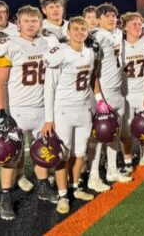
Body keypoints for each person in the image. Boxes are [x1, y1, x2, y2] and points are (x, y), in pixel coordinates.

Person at [0, 5, 65, 220]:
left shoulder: (48, 43)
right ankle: (5, 195)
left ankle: (42, 186)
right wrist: (0, 112)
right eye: (26, 21)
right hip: (18, 109)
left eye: (34, 21)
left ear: (40, 23)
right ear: (18, 23)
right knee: (11, 155)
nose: (31, 25)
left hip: (42, 107)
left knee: (44, 149)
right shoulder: (8, 45)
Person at [42, 16, 101, 214]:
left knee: (80, 152)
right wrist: (49, 118)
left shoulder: (90, 53)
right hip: (64, 109)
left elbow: (91, 81)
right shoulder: (60, 52)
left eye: (83, 29)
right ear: (68, 32)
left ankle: (75, 187)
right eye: (75, 29)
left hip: (83, 108)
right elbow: (49, 88)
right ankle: (62, 194)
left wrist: (97, 104)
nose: (79, 32)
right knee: (62, 154)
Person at [88, 3, 132, 193]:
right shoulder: (97, 36)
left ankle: (112, 170)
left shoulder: (117, 33)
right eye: (107, 16)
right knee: (97, 137)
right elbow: (92, 71)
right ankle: (93, 176)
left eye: (114, 16)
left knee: (114, 133)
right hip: (102, 92)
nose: (112, 19)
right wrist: (98, 97)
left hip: (116, 91)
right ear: (98, 19)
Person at [120, 12, 144, 167]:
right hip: (124, 94)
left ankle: (143, 149)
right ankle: (127, 160)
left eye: (140, 24)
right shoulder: (119, 45)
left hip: (142, 92)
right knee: (125, 131)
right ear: (125, 27)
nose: (137, 27)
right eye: (133, 24)